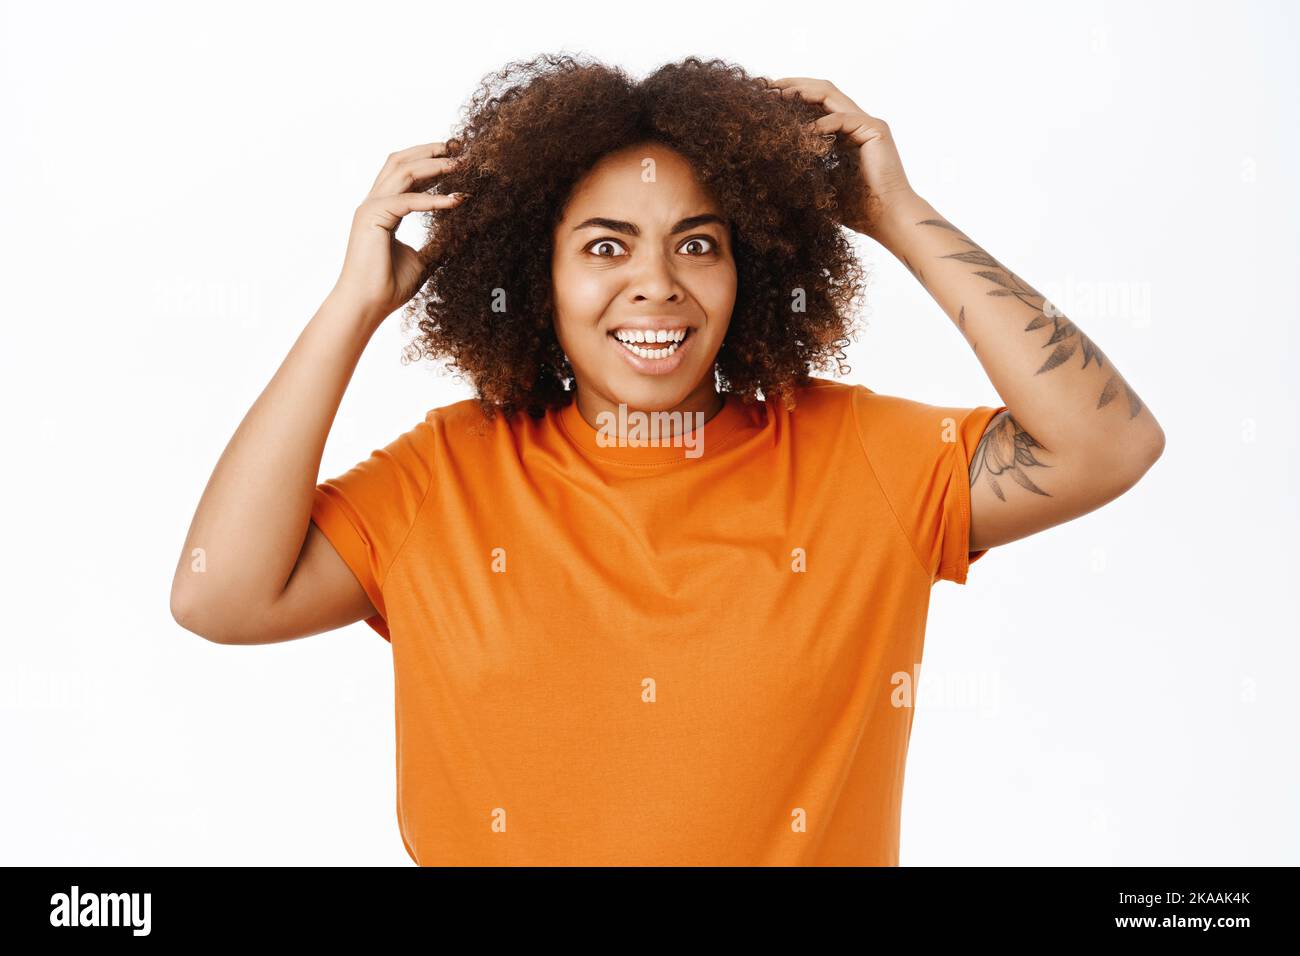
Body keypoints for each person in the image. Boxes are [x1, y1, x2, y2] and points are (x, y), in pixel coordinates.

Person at [170, 55, 1165, 866]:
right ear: (533, 275)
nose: (656, 284)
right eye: (605, 248)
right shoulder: (447, 475)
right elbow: (220, 596)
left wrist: (895, 213)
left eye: (697, 244)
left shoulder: (861, 456)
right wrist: (354, 304)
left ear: (750, 267)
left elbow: (1106, 441)